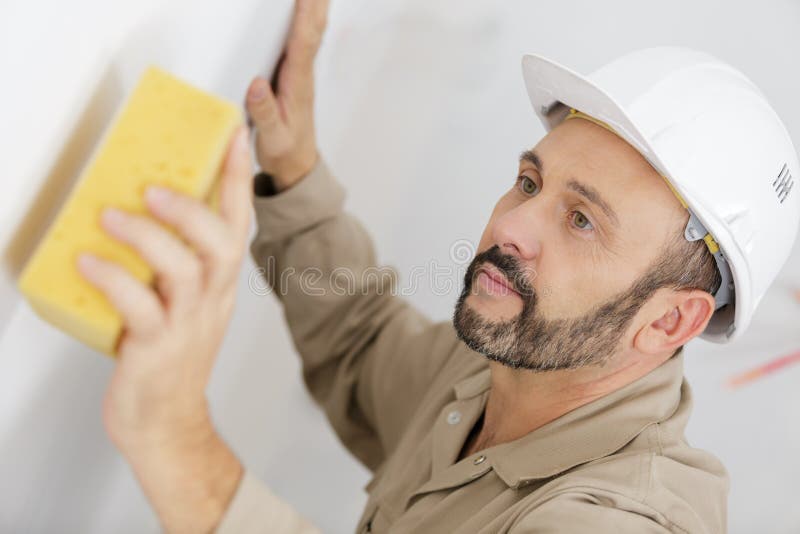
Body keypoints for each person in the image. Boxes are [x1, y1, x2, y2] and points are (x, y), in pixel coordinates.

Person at [76, 0, 800, 532]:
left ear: (670, 318)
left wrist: (174, 434)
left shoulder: (615, 520)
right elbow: (360, 341)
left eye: (581, 221)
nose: (511, 225)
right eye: (528, 182)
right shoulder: (504, 375)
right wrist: (294, 171)